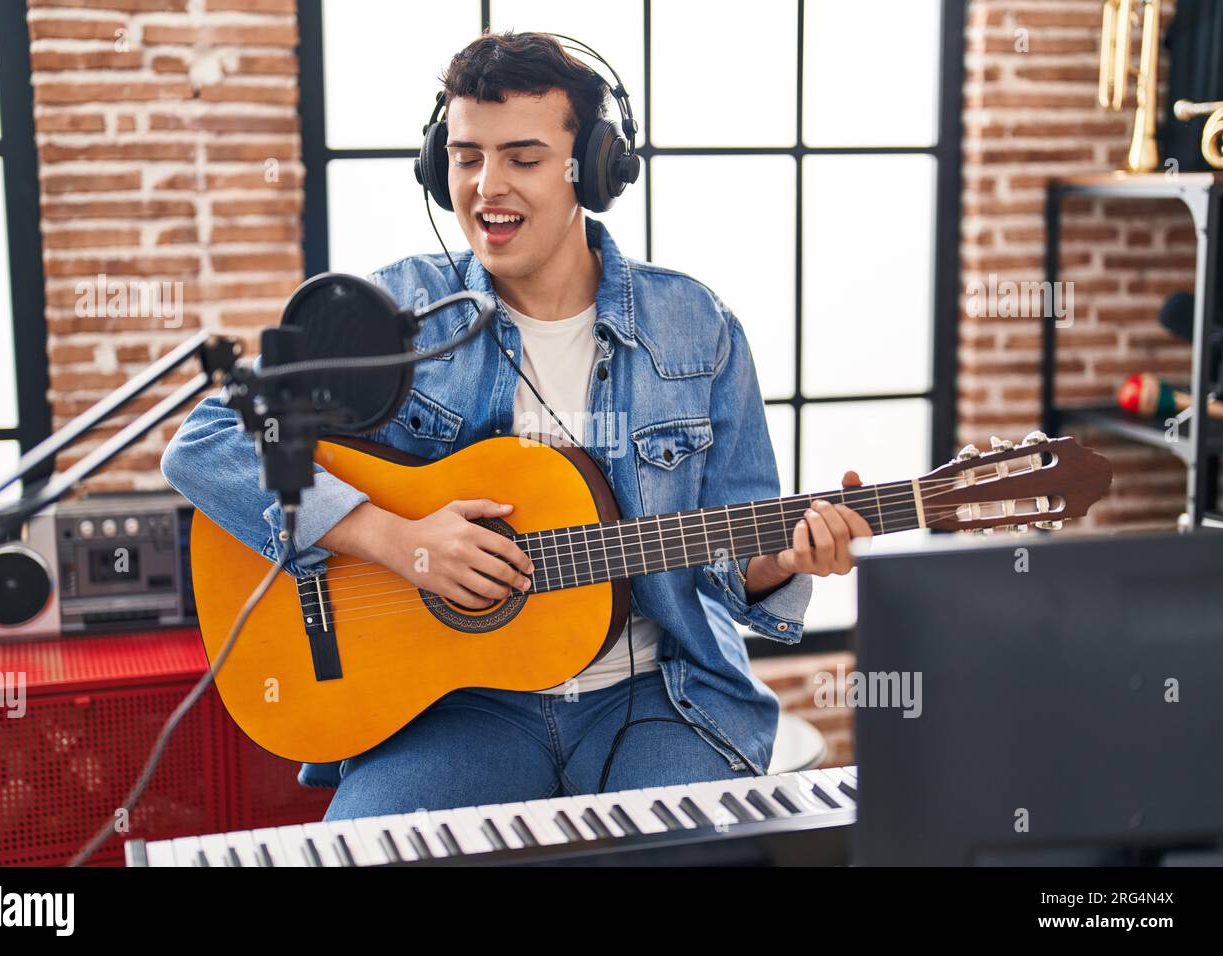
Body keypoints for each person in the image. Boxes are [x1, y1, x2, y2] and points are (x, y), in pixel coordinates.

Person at [160, 31, 872, 822]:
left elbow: (736, 572)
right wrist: (395, 541)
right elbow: (206, 443)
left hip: (656, 698)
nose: (486, 187)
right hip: (460, 710)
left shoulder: (696, 328)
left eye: (523, 159)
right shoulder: (398, 313)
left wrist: (780, 562)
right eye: (465, 157)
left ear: (593, 169)